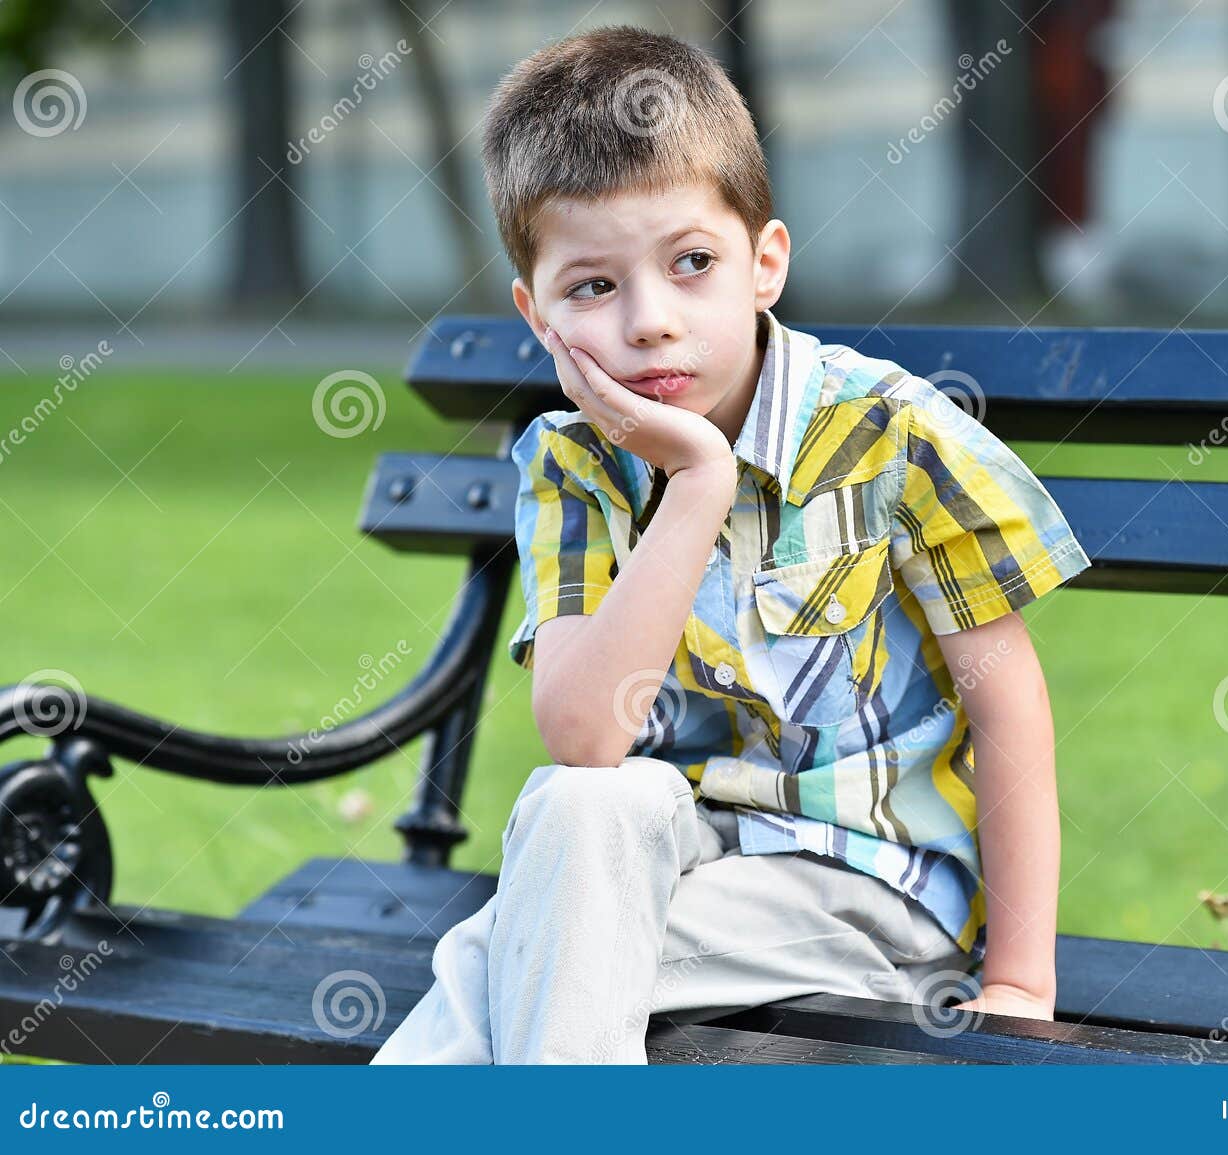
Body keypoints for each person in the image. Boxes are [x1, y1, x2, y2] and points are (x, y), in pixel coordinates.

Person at [371, 23, 1093, 1065]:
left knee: (503, 966)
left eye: (691, 264)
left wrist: (1020, 979)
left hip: (869, 891)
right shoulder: (571, 466)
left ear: (765, 264)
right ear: (537, 315)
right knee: (578, 802)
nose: (650, 321)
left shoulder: (888, 433)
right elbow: (583, 736)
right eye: (593, 287)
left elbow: (1005, 699)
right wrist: (700, 481)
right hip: (664, 863)